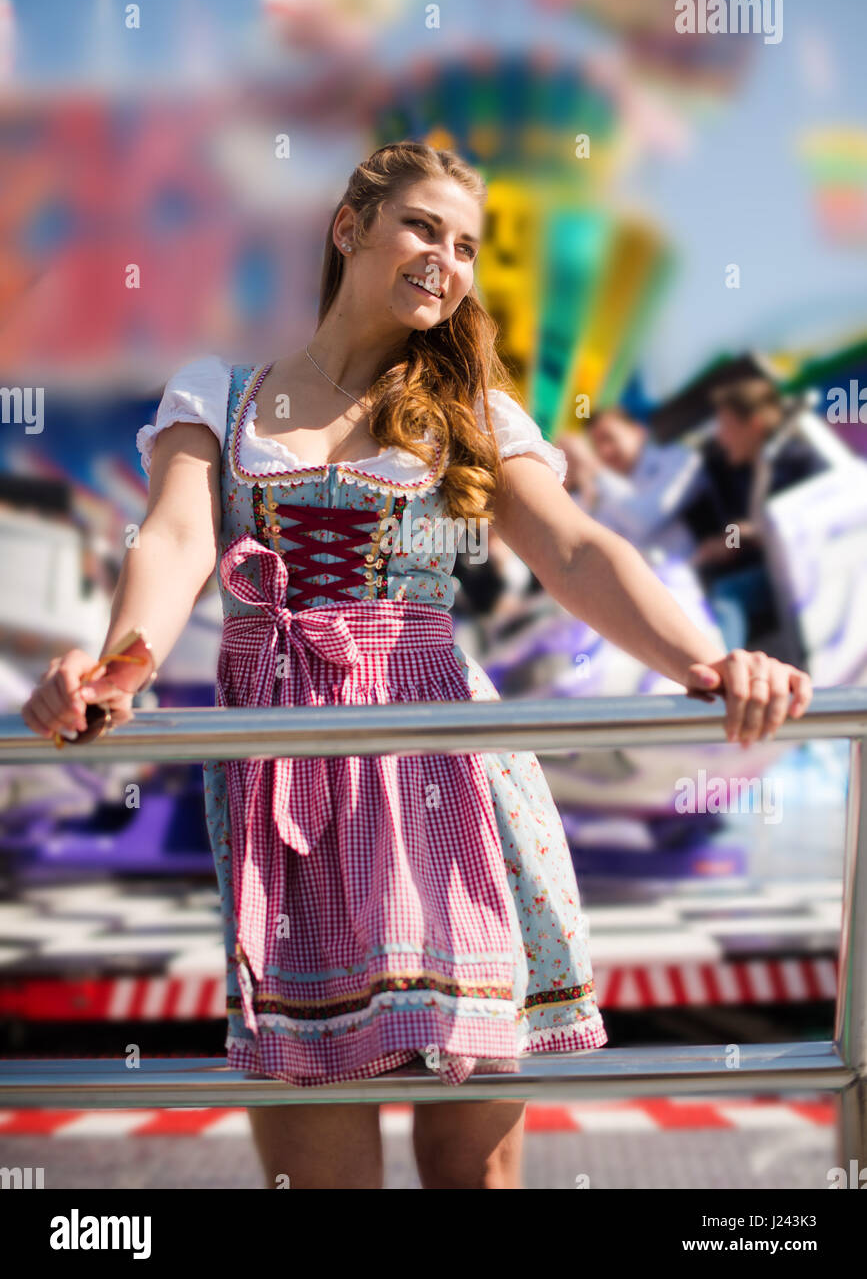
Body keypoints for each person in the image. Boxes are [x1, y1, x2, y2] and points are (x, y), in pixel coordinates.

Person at [21, 142, 812, 1190]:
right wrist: (116, 672)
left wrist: (715, 664)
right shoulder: (217, 395)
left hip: (448, 763)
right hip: (284, 768)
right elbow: (171, 544)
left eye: (467, 244)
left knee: (475, 1174)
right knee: (319, 1170)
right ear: (348, 227)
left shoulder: (474, 408)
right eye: (423, 227)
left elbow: (577, 551)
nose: (447, 257)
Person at [691, 375, 827, 652]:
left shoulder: (799, 462)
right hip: (764, 569)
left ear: (753, 425)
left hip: (803, 575)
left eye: (726, 426)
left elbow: (816, 519)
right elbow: (736, 527)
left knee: (727, 595)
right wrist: (725, 544)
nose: (719, 436)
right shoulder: (735, 472)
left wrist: (752, 533)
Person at [558, 407, 704, 557]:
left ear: (638, 431)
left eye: (608, 438)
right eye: (596, 446)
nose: (604, 451)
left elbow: (641, 520)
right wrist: (567, 486)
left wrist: (594, 467)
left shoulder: (681, 460)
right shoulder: (604, 482)